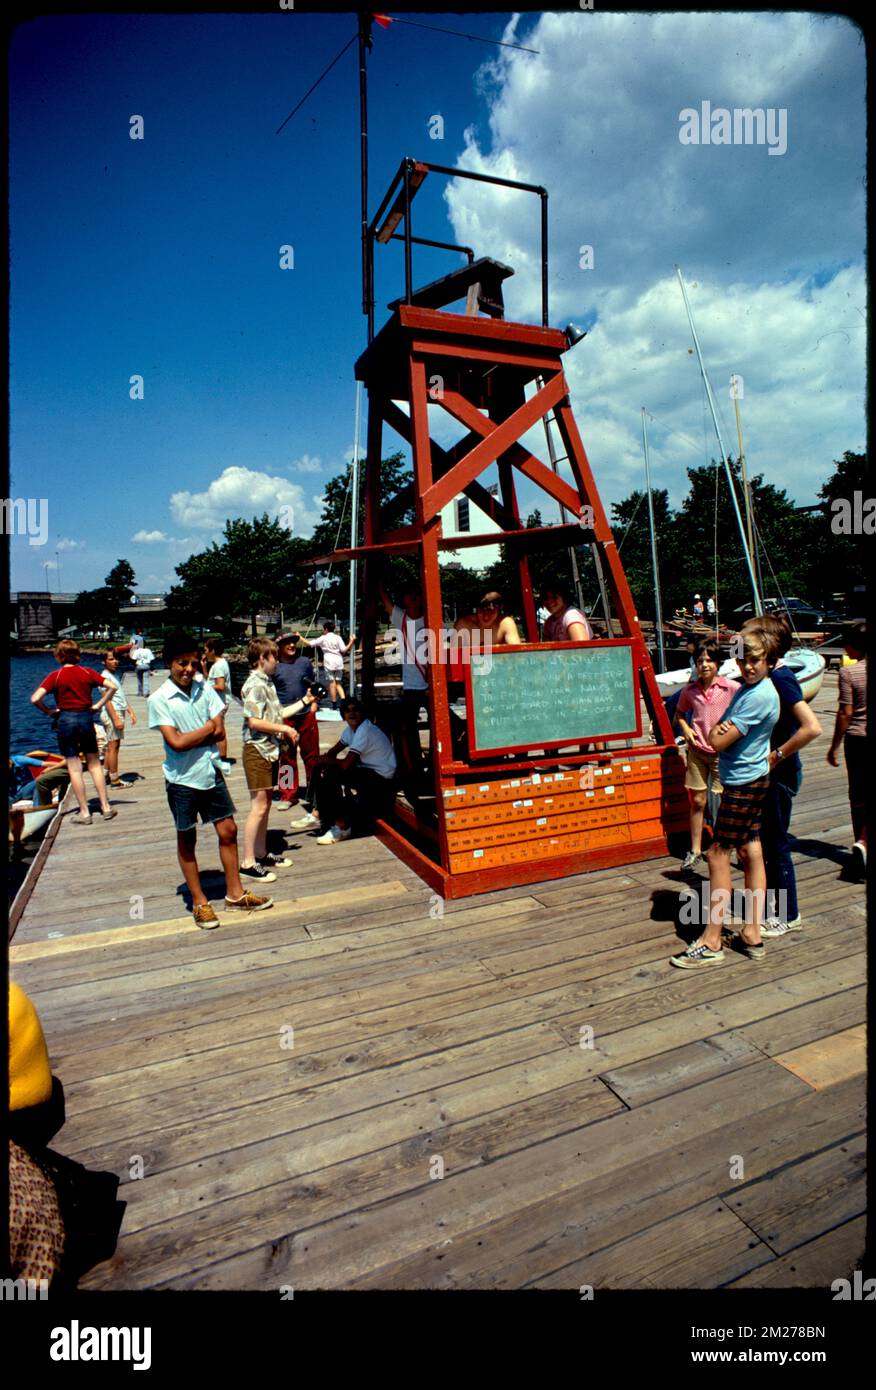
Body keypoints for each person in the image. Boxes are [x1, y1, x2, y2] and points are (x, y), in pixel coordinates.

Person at [671, 626, 780, 969]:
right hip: (747, 779)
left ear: (770, 662)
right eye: (745, 660)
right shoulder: (750, 689)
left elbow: (718, 740)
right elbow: (719, 728)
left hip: (744, 783)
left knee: (717, 855)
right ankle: (752, 932)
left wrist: (722, 729)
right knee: (751, 850)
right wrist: (721, 728)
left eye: (756, 661)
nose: (749, 667)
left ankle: (712, 939)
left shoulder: (758, 695)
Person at [148, 629, 273, 926]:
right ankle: (199, 901)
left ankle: (235, 894)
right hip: (181, 780)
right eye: (181, 663)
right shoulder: (159, 698)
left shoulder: (205, 689)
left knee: (228, 830)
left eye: (193, 663)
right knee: (186, 838)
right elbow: (176, 742)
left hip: (210, 772)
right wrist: (205, 731)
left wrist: (197, 735)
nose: (188, 669)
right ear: (168, 662)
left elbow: (219, 730)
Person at [742, 615, 822, 935]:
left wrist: (776, 756)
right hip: (767, 776)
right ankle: (772, 909)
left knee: (776, 845)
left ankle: (789, 915)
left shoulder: (782, 679)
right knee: (766, 843)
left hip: (779, 776)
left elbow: (811, 728)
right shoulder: (766, 677)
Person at [29, 640, 118, 825]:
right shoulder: (87, 672)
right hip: (86, 718)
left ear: (59, 656)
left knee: (74, 767)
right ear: (78, 654)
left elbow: (35, 698)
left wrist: (48, 711)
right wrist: (97, 706)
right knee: (94, 764)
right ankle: (106, 807)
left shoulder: (56, 676)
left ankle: (85, 813)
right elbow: (112, 687)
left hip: (66, 721)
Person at [294, 696, 398, 844]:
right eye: (348, 711)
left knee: (333, 773)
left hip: (383, 779)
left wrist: (326, 761)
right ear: (343, 715)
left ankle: (342, 827)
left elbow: (345, 764)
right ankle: (318, 813)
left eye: (355, 710)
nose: (352, 714)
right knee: (321, 768)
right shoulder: (350, 730)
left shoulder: (365, 730)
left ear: (361, 713)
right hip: (369, 771)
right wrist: (322, 761)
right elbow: (333, 752)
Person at [675, 639, 740, 871]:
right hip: (697, 752)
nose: (704, 665)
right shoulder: (690, 690)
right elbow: (680, 713)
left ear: (718, 663)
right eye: (700, 660)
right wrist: (686, 729)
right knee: (698, 801)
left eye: (710, 660)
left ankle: (731, 848)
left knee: (726, 802)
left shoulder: (731, 688)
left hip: (722, 754)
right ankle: (694, 849)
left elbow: (743, 715)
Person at [379, 577, 429, 798]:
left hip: (430, 685)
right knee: (404, 729)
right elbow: (386, 601)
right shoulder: (401, 617)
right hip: (411, 686)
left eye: (415, 594)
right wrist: (377, 582)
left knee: (444, 726)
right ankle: (412, 772)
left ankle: (436, 766)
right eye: (408, 595)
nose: (412, 599)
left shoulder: (431, 619)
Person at [827, 620, 867, 878]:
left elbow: (846, 713)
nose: (844, 648)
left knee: (858, 797)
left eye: (847, 644)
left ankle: (861, 848)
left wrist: (834, 746)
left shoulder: (849, 673)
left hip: (858, 739)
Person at [273, 633, 320, 808]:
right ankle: (288, 795)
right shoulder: (274, 667)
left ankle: (314, 791)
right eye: (287, 643)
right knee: (286, 756)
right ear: (279, 646)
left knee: (312, 755)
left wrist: (314, 706)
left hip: (307, 713)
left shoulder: (305, 663)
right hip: (285, 717)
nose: (292, 645)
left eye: (294, 642)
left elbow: (313, 686)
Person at [294, 622, 356, 709]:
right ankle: (344, 703)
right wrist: (351, 641)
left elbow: (310, 644)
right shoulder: (338, 637)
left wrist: (300, 637)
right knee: (338, 684)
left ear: (326, 629)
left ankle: (334, 705)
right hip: (338, 662)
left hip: (329, 662)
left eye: (324, 629)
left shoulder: (323, 638)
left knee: (332, 683)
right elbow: (344, 650)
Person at [100, 649, 138, 788]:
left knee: (113, 746)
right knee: (113, 747)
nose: (115, 662)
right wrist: (116, 719)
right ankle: (115, 780)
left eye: (116, 659)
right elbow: (107, 700)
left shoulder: (112, 676)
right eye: (110, 659)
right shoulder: (104, 677)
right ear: (103, 662)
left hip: (117, 711)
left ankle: (105, 775)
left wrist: (130, 711)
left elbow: (120, 696)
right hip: (112, 713)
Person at [454, 591, 521, 648]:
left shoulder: (506, 623)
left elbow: (518, 654)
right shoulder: (463, 625)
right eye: (481, 611)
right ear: (476, 609)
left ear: (498, 611)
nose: (486, 617)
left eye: (491, 611)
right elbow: (454, 657)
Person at [203, 638, 232, 760]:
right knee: (217, 729)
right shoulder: (219, 664)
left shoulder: (219, 666)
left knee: (219, 731)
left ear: (212, 650)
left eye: (206, 650)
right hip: (219, 701)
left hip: (219, 702)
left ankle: (222, 758)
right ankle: (219, 756)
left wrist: (205, 688)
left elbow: (220, 686)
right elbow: (210, 679)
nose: (205, 653)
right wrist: (203, 667)